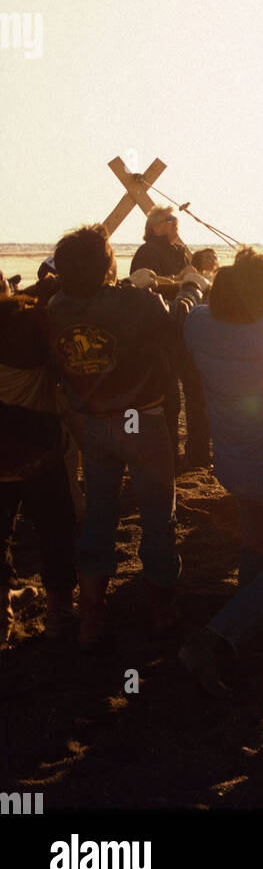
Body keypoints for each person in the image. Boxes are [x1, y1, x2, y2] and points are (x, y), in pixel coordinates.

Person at [43, 224, 205, 649]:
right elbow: (177, 326)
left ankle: (91, 618)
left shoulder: (56, 307)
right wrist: (190, 288)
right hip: (143, 419)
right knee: (157, 517)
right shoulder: (136, 301)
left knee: (99, 515)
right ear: (107, 265)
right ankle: (160, 611)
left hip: (95, 423)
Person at [179, 249, 263, 695]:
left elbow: (201, 305)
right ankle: (216, 636)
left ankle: (248, 625)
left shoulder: (199, 322)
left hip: (233, 456)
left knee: (256, 545)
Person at [0, 276, 76, 644]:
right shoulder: (31, 323)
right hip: (38, 450)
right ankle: (60, 611)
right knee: (56, 529)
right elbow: (65, 366)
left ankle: (3, 611)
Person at [130, 207, 210, 468]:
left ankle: (198, 455)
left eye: (176, 218)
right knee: (169, 399)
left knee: (197, 393)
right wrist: (182, 279)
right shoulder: (147, 251)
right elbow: (142, 287)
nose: (176, 222)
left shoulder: (181, 250)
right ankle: (170, 456)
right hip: (162, 332)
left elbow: (194, 281)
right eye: (170, 219)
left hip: (189, 329)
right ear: (155, 227)